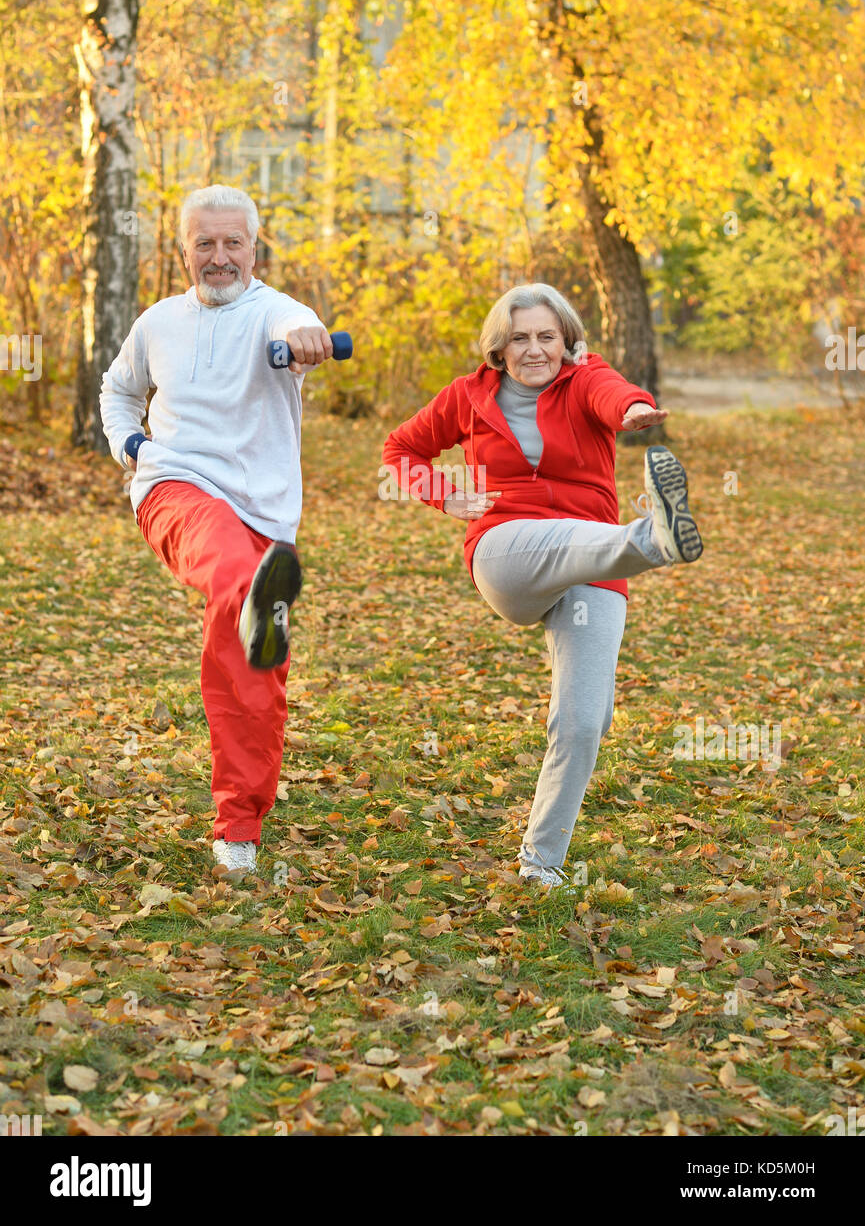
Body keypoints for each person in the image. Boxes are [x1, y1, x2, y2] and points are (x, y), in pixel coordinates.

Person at [381, 283, 703, 891]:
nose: (535, 350)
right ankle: (655, 540)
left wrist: (634, 411)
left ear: (567, 342)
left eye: (547, 337)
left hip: (595, 557)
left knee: (584, 719)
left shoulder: (584, 378)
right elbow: (399, 450)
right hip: (508, 550)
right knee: (586, 545)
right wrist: (444, 492)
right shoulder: (468, 396)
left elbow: (613, 395)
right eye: (520, 337)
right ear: (499, 348)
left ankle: (540, 863)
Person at [100, 185, 335, 877]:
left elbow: (295, 329)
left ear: (253, 250)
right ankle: (254, 592)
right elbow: (117, 389)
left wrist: (304, 342)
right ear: (184, 252)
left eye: (233, 242)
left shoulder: (279, 314)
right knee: (230, 569)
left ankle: (241, 824)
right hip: (175, 488)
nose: (219, 256)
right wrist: (132, 448)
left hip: (266, 516)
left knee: (254, 673)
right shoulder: (158, 323)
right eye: (205, 243)